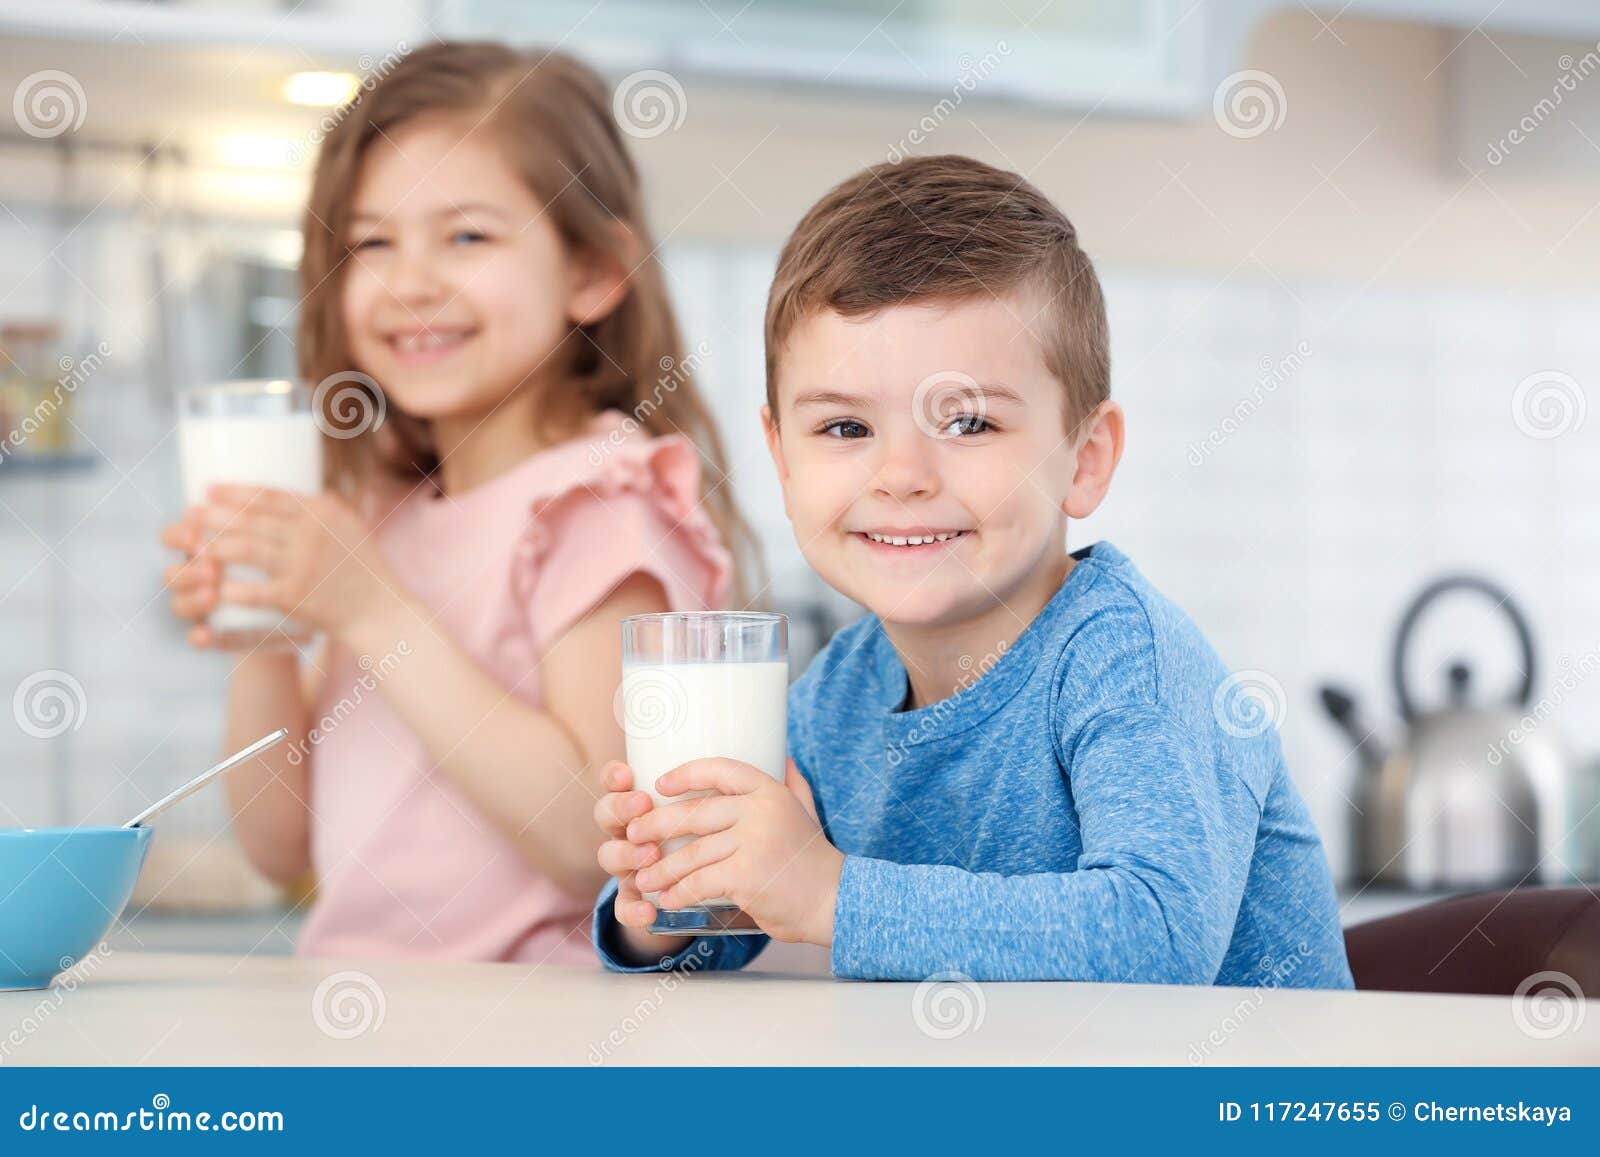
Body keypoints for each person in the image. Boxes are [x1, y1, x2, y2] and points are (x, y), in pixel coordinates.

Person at [591, 154, 1353, 987]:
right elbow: (759, 911)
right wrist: (672, 910)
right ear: (779, 457)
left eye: (970, 422)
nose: (903, 474)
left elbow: (1157, 938)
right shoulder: (838, 693)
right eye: (846, 429)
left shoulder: (1126, 662)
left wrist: (832, 895)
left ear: (1086, 458)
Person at [161, 42, 754, 964]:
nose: (411, 283)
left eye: (468, 235)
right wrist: (267, 633)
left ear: (593, 270)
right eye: (372, 243)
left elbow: (599, 857)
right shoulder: (387, 516)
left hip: (530, 1051)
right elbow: (283, 851)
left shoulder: (599, 504)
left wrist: (370, 606)